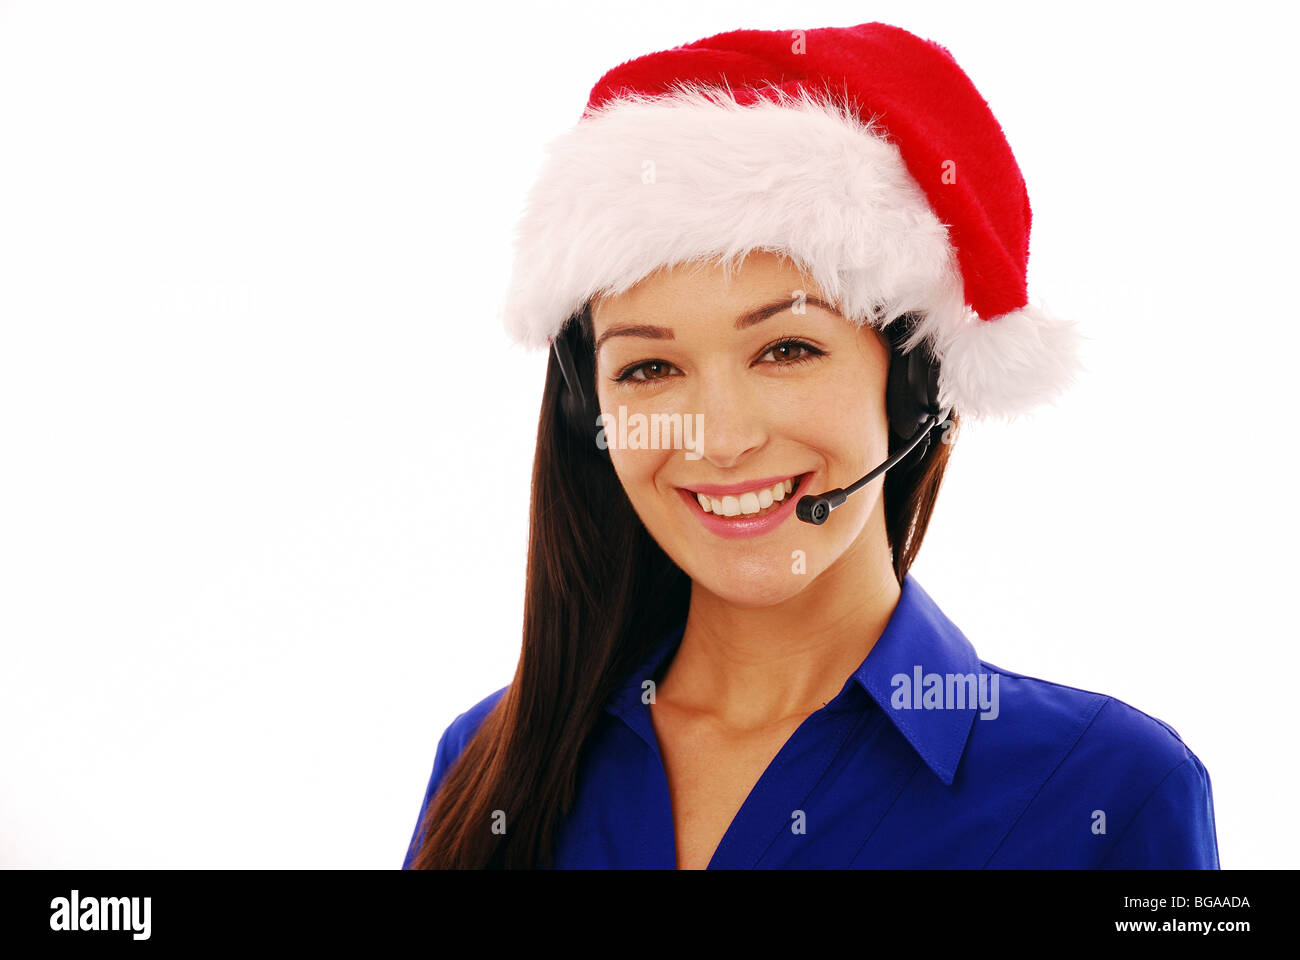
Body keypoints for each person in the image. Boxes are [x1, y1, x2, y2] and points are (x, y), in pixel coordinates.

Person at [402, 21, 1220, 869]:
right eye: (649, 367)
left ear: (911, 385)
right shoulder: (486, 764)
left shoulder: (1111, 788)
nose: (721, 440)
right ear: (590, 409)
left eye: (786, 349)